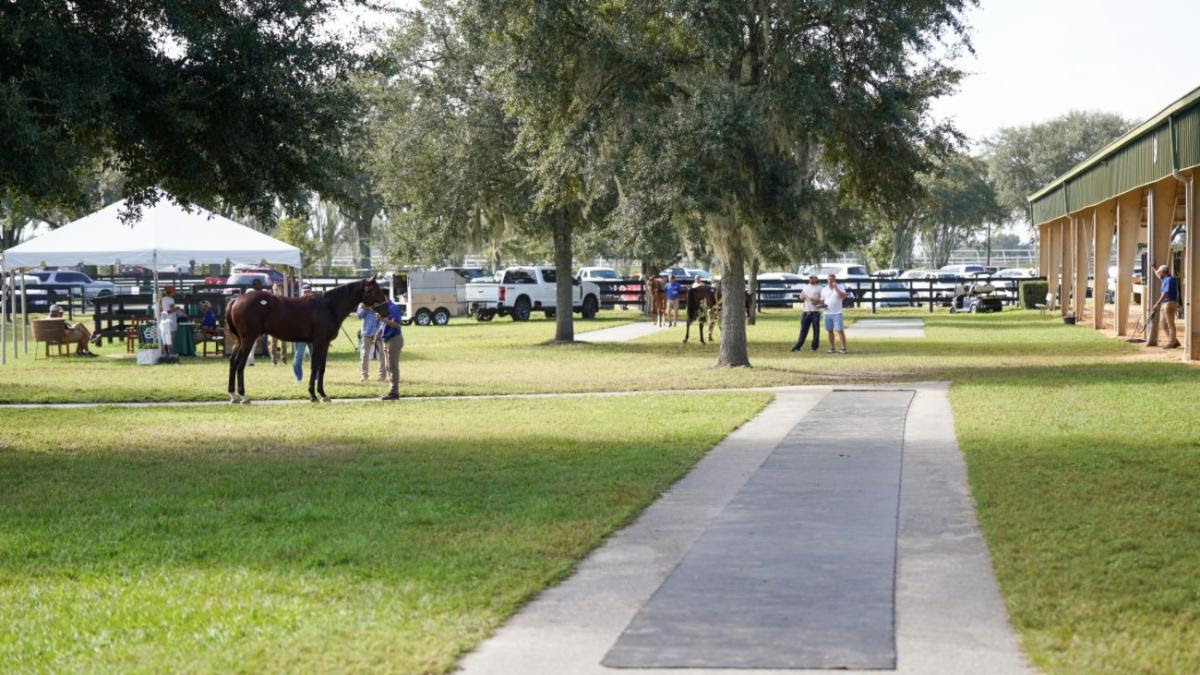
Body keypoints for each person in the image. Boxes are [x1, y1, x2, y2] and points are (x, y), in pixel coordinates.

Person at [377, 298, 405, 400]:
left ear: (384, 298)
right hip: (387, 339)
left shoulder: (393, 308)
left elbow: (397, 324)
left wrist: (382, 319)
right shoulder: (386, 309)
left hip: (394, 340)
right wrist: (378, 332)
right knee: (388, 366)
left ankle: (394, 392)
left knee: (393, 366)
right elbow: (385, 324)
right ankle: (392, 391)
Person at [791, 273, 824, 352]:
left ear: (816, 279)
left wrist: (815, 300)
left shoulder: (819, 288)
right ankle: (798, 347)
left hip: (815, 312)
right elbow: (801, 296)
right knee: (803, 331)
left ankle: (814, 347)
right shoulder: (805, 287)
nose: (811, 279)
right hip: (806, 312)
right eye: (810, 278)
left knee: (816, 331)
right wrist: (803, 297)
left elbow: (822, 300)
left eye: (813, 278)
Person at [1150, 264, 1181, 349]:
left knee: (1170, 324)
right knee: (1163, 324)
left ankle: (1172, 342)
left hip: (1169, 303)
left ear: (1163, 272)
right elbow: (1157, 274)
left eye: (1160, 272)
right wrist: (1152, 267)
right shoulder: (1165, 279)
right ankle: (1174, 340)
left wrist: (1157, 303)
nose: (1159, 273)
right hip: (1165, 303)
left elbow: (1165, 293)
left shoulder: (1170, 280)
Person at [356, 301, 386, 382]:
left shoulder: (379, 302)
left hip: (379, 332)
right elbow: (358, 316)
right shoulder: (363, 304)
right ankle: (364, 375)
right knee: (365, 354)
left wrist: (377, 307)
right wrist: (365, 308)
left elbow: (384, 316)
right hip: (367, 332)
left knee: (382, 353)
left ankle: (382, 375)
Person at [821, 273, 848, 354]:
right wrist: (821, 305)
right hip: (827, 313)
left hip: (837, 312)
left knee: (840, 330)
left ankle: (844, 348)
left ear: (834, 280)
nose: (830, 281)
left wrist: (835, 288)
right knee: (829, 330)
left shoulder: (840, 287)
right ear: (827, 280)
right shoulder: (824, 289)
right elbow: (822, 300)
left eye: (832, 279)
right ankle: (832, 347)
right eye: (829, 279)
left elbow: (842, 297)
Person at [293, 285, 314, 381]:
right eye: (305, 291)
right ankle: (298, 378)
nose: (306, 293)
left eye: (308, 291)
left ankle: (316, 377)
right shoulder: (295, 305)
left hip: (313, 335)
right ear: (301, 293)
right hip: (300, 335)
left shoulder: (316, 305)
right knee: (298, 355)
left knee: (315, 356)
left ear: (311, 293)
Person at [158, 285, 181, 357]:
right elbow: (171, 310)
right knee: (171, 337)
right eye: (174, 291)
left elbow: (161, 310)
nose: (175, 292)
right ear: (171, 292)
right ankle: (170, 353)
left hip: (163, 319)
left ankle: (164, 353)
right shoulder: (171, 299)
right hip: (171, 320)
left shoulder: (162, 299)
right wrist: (177, 308)